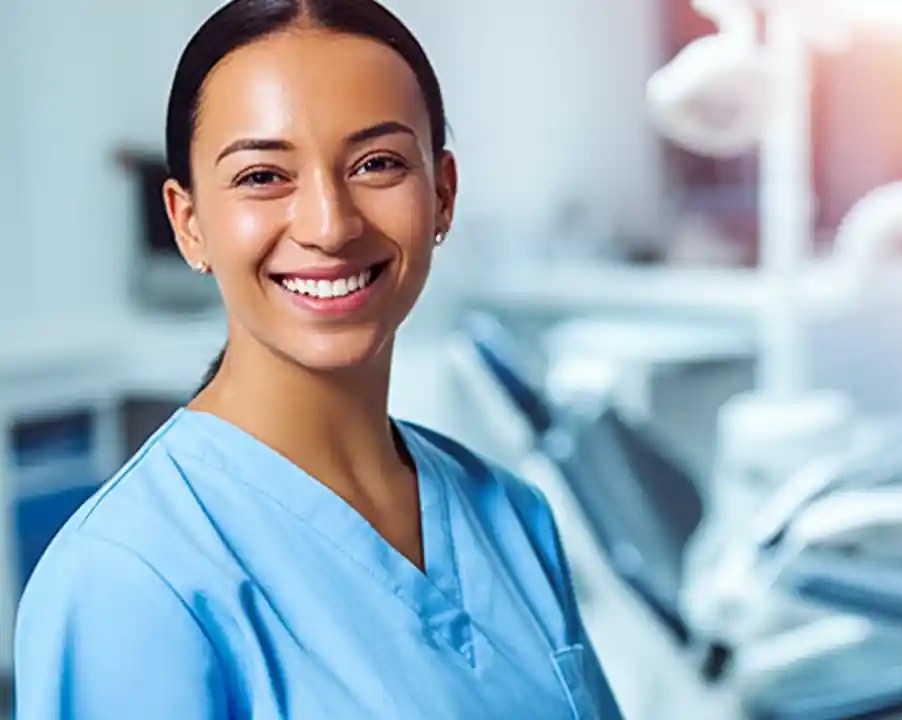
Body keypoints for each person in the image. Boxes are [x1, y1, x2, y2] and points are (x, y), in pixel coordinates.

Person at [13, 1, 622, 718]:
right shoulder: (129, 579)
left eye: (377, 164)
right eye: (264, 177)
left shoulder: (513, 519)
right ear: (189, 224)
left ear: (443, 196)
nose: (330, 226)